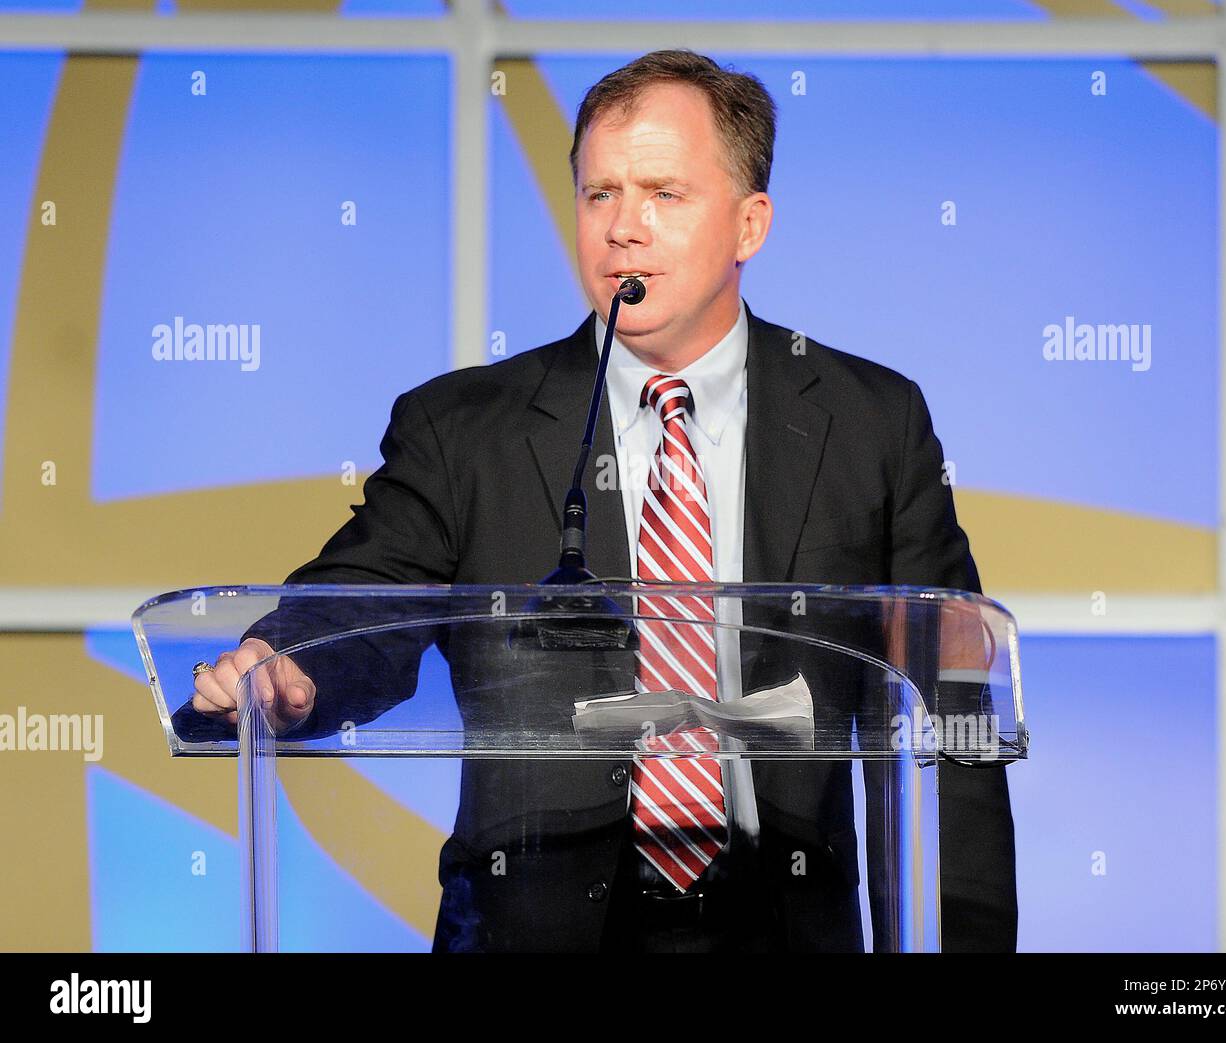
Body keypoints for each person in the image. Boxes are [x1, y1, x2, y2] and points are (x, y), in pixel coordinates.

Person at [184, 49, 1016, 953]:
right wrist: (287, 661)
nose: (623, 228)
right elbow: (367, 596)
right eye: (599, 195)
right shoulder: (467, 426)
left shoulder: (871, 422)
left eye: (664, 194)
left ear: (749, 223)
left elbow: (957, 706)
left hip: (779, 925)